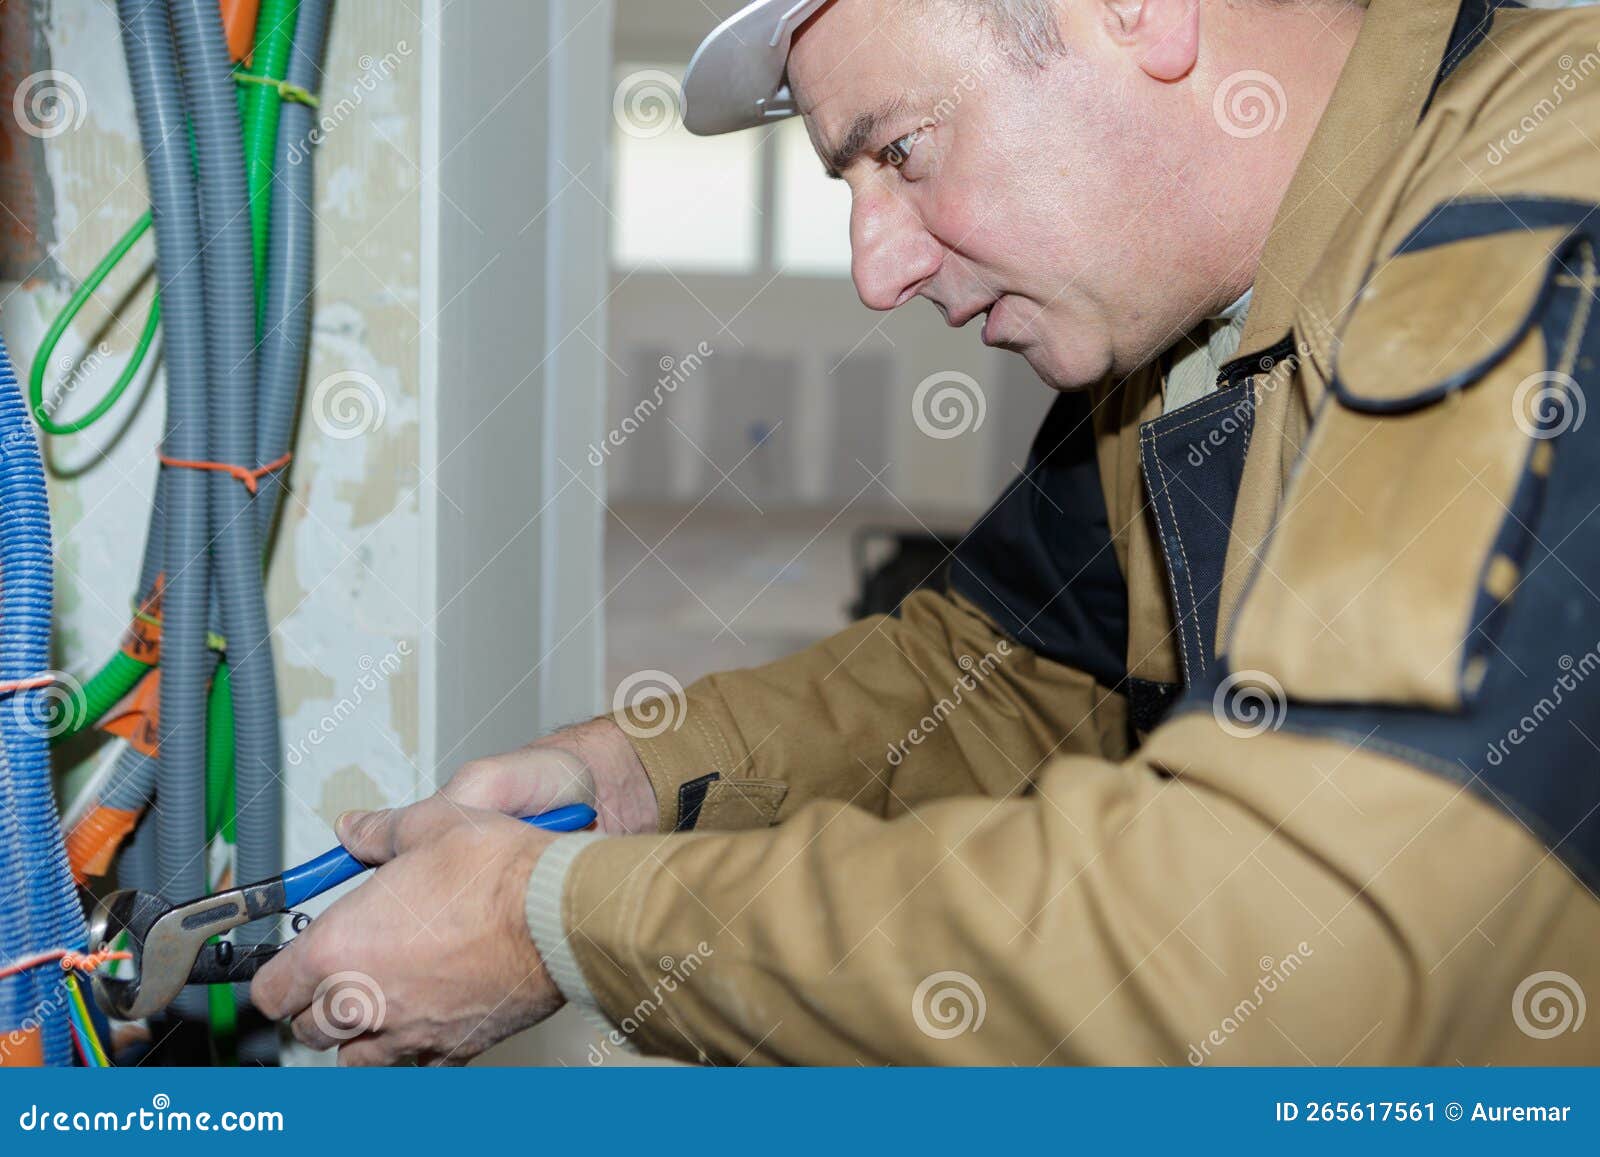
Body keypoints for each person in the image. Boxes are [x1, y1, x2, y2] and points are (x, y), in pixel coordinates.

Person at [252, 0, 1600, 1065]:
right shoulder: (1185, 336)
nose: (876, 269)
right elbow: (1015, 668)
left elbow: (1292, 960)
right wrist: (636, 775)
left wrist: (552, 921)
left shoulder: (1545, 212)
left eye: (900, 151)